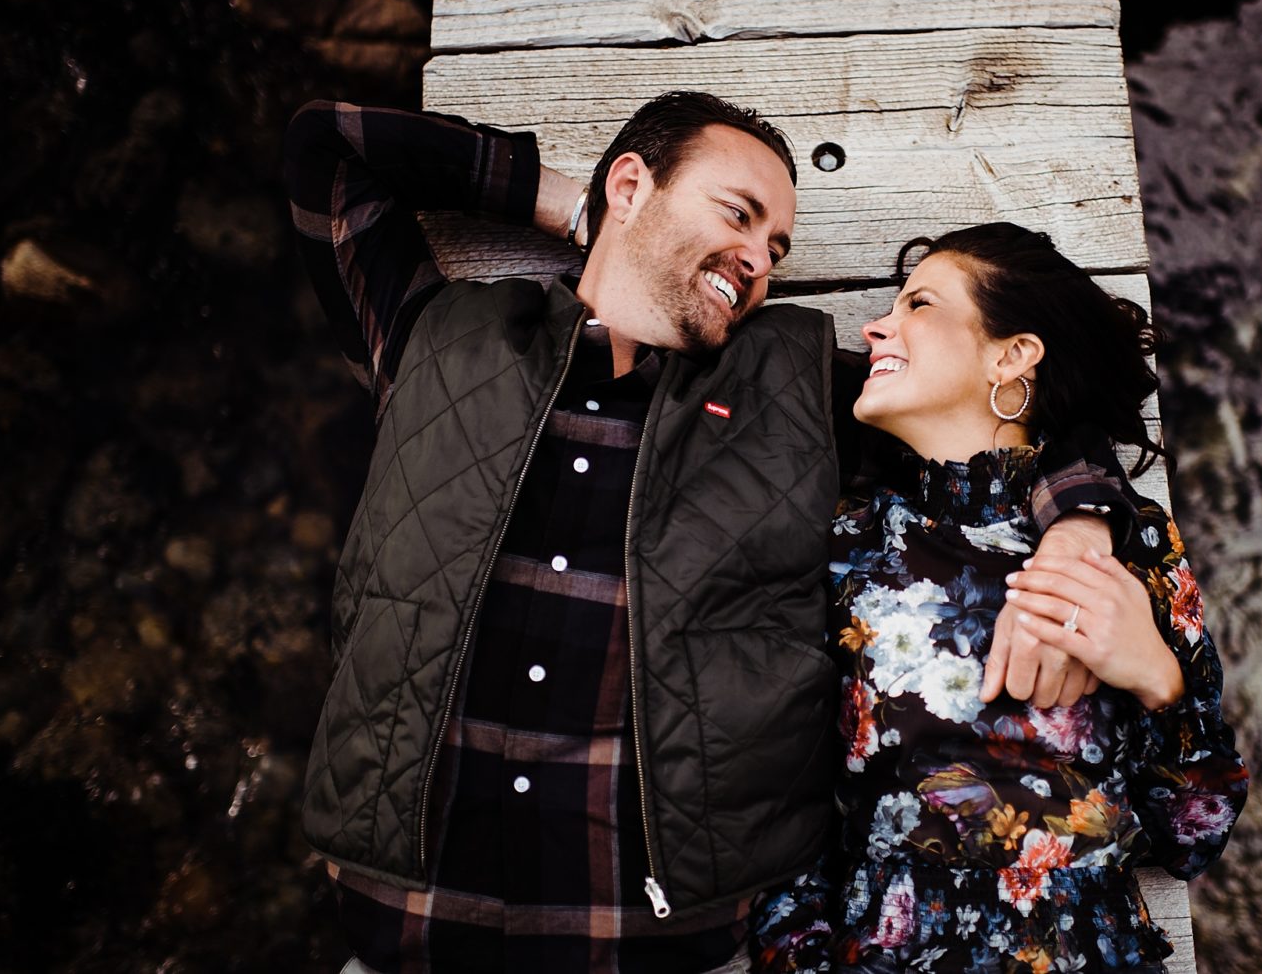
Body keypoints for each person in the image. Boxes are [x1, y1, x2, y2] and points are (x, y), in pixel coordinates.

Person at [283, 95, 1151, 973]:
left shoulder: (796, 396)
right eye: (739, 215)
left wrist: (1079, 529)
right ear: (630, 183)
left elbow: (1012, 415)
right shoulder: (435, 334)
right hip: (407, 931)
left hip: (664, 941)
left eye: (776, 249)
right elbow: (328, 148)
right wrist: (577, 206)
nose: (757, 262)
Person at [750, 224, 1249, 973]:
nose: (877, 324)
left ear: (1013, 355)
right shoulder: (844, 546)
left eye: (918, 303)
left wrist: (1158, 678)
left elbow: (1191, 839)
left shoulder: (1130, 539)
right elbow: (779, 813)